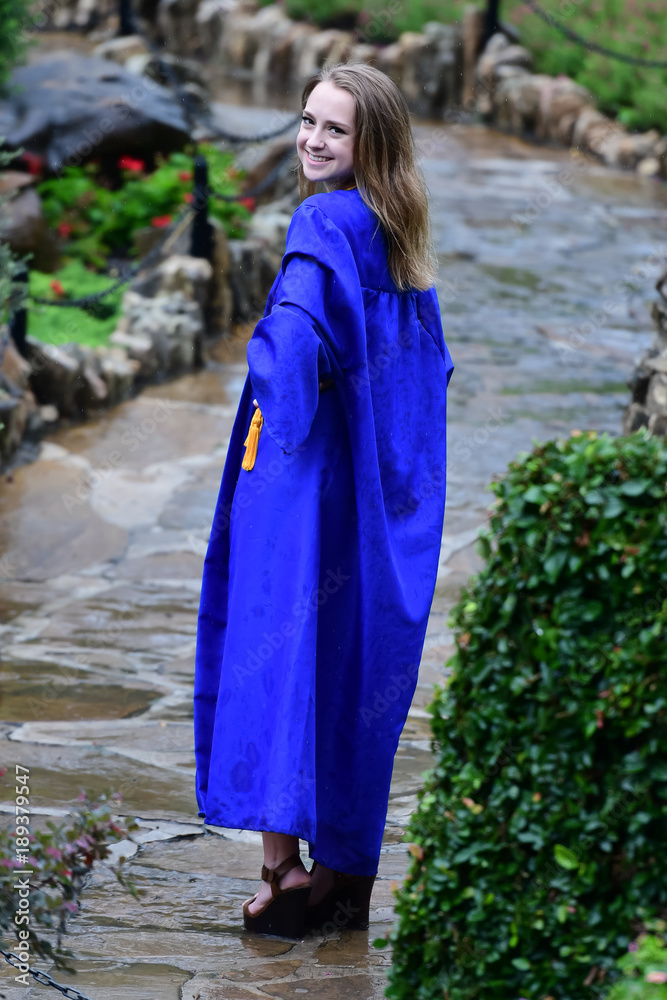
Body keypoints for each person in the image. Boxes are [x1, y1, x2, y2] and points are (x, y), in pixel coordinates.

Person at [193, 62, 454, 940]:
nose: (311, 140)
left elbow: (293, 355)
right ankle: (343, 878)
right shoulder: (396, 229)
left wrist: (269, 370)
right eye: (306, 121)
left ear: (368, 143)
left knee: (275, 658)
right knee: (347, 665)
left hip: (302, 481)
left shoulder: (319, 221)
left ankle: (281, 870)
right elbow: (428, 374)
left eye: (333, 129)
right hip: (369, 490)